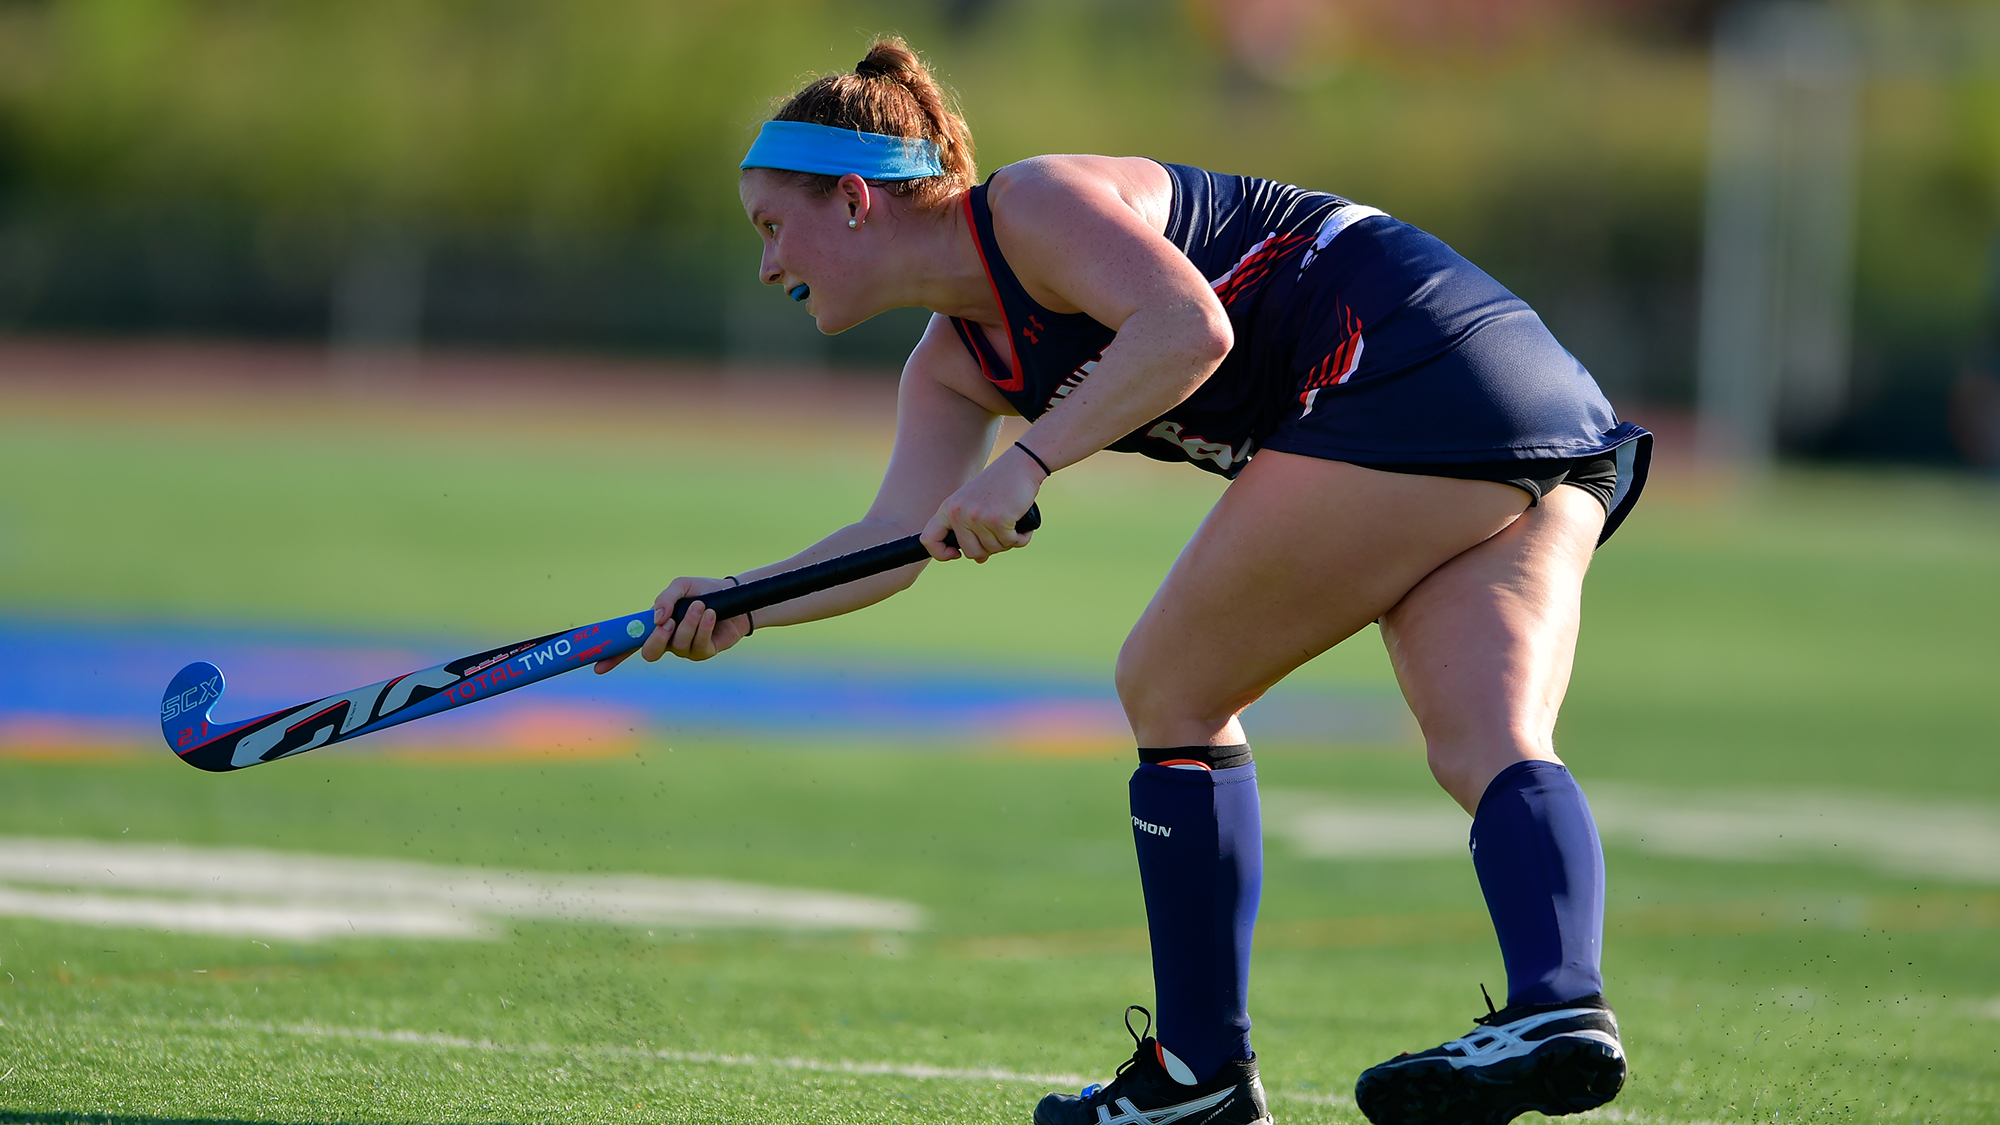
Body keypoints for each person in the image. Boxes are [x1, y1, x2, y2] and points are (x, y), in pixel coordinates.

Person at [598, 37, 1649, 1125]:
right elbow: (894, 535)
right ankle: (1559, 1006)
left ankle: (1196, 1078)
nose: (768, 265)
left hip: (1405, 370)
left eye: (772, 227)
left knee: (1171, 686)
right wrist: (738, 600)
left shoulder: (1035, 207)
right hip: (1532, 406)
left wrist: (1027, 463)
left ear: (857, 200)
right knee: (1485, 738)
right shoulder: (954, 362)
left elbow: (1187, 326)